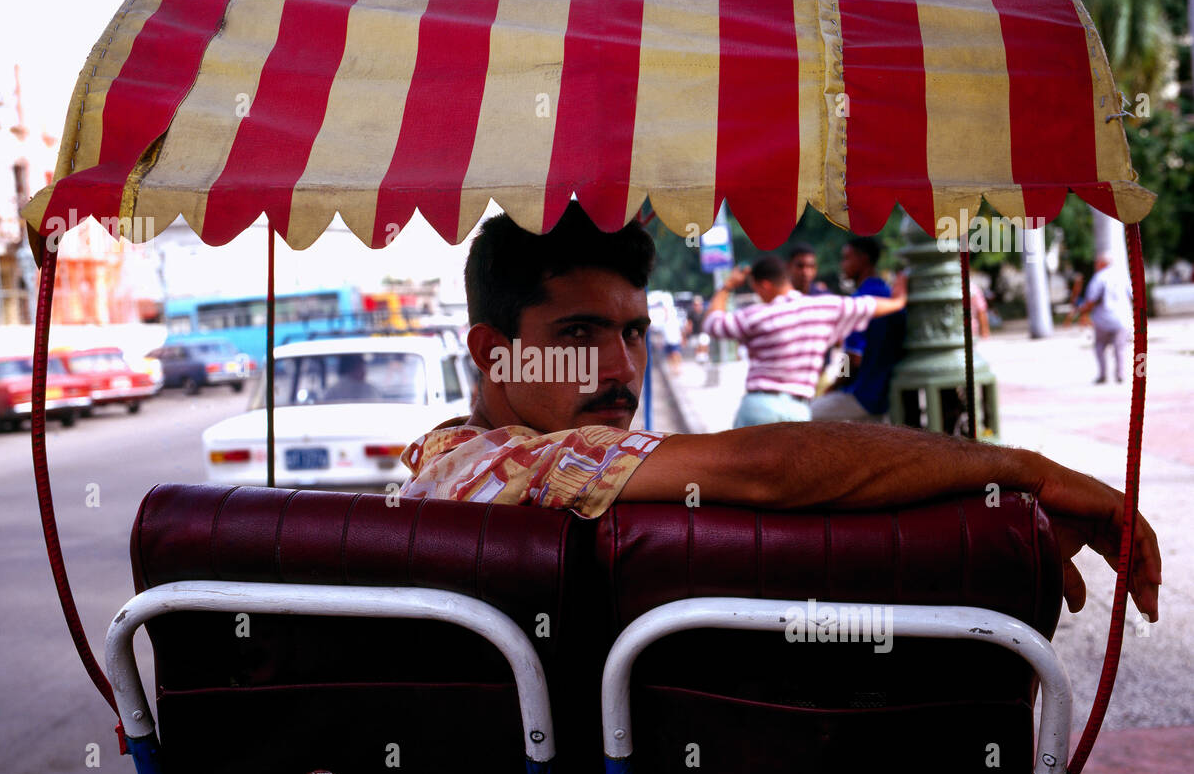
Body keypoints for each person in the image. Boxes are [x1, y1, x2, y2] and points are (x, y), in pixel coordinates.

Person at [399, 203, 1161, 623]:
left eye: (633, 332)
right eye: (578, 335)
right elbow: (769, 469)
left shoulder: (476, 459)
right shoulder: (507, 463)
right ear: (494, 350)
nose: (622, 368)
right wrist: (1020, 472)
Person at [702, 255, 907, 426]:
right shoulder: (825, 306)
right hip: (798, 411)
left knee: (744, 473)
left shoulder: (756, 315)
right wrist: (898, 302)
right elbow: (869, 306)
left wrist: (727, 286)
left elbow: (712, 323)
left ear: (764, 285)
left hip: (760, 406)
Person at [811, 236, 907, 423]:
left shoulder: (860, 302)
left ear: (863, 259)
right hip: (885, 396)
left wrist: (836, 385)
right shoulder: (887, 294)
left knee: (801, 417)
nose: (842, 264)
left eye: (846, 258)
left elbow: (852, 359)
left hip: (861, 394)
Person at [1079, 255, 1133, 384]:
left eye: (1097, 263)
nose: (1095, 265)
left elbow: (1091, 299)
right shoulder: (1122, 275)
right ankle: (1120, 374)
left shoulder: (1099, 277)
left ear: (1102, 264)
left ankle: (1103, 375)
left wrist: (1083, 310)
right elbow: (1132, 295)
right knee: (1120, 347)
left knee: (1100, 346)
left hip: (1103, 318)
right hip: (1122, 318)